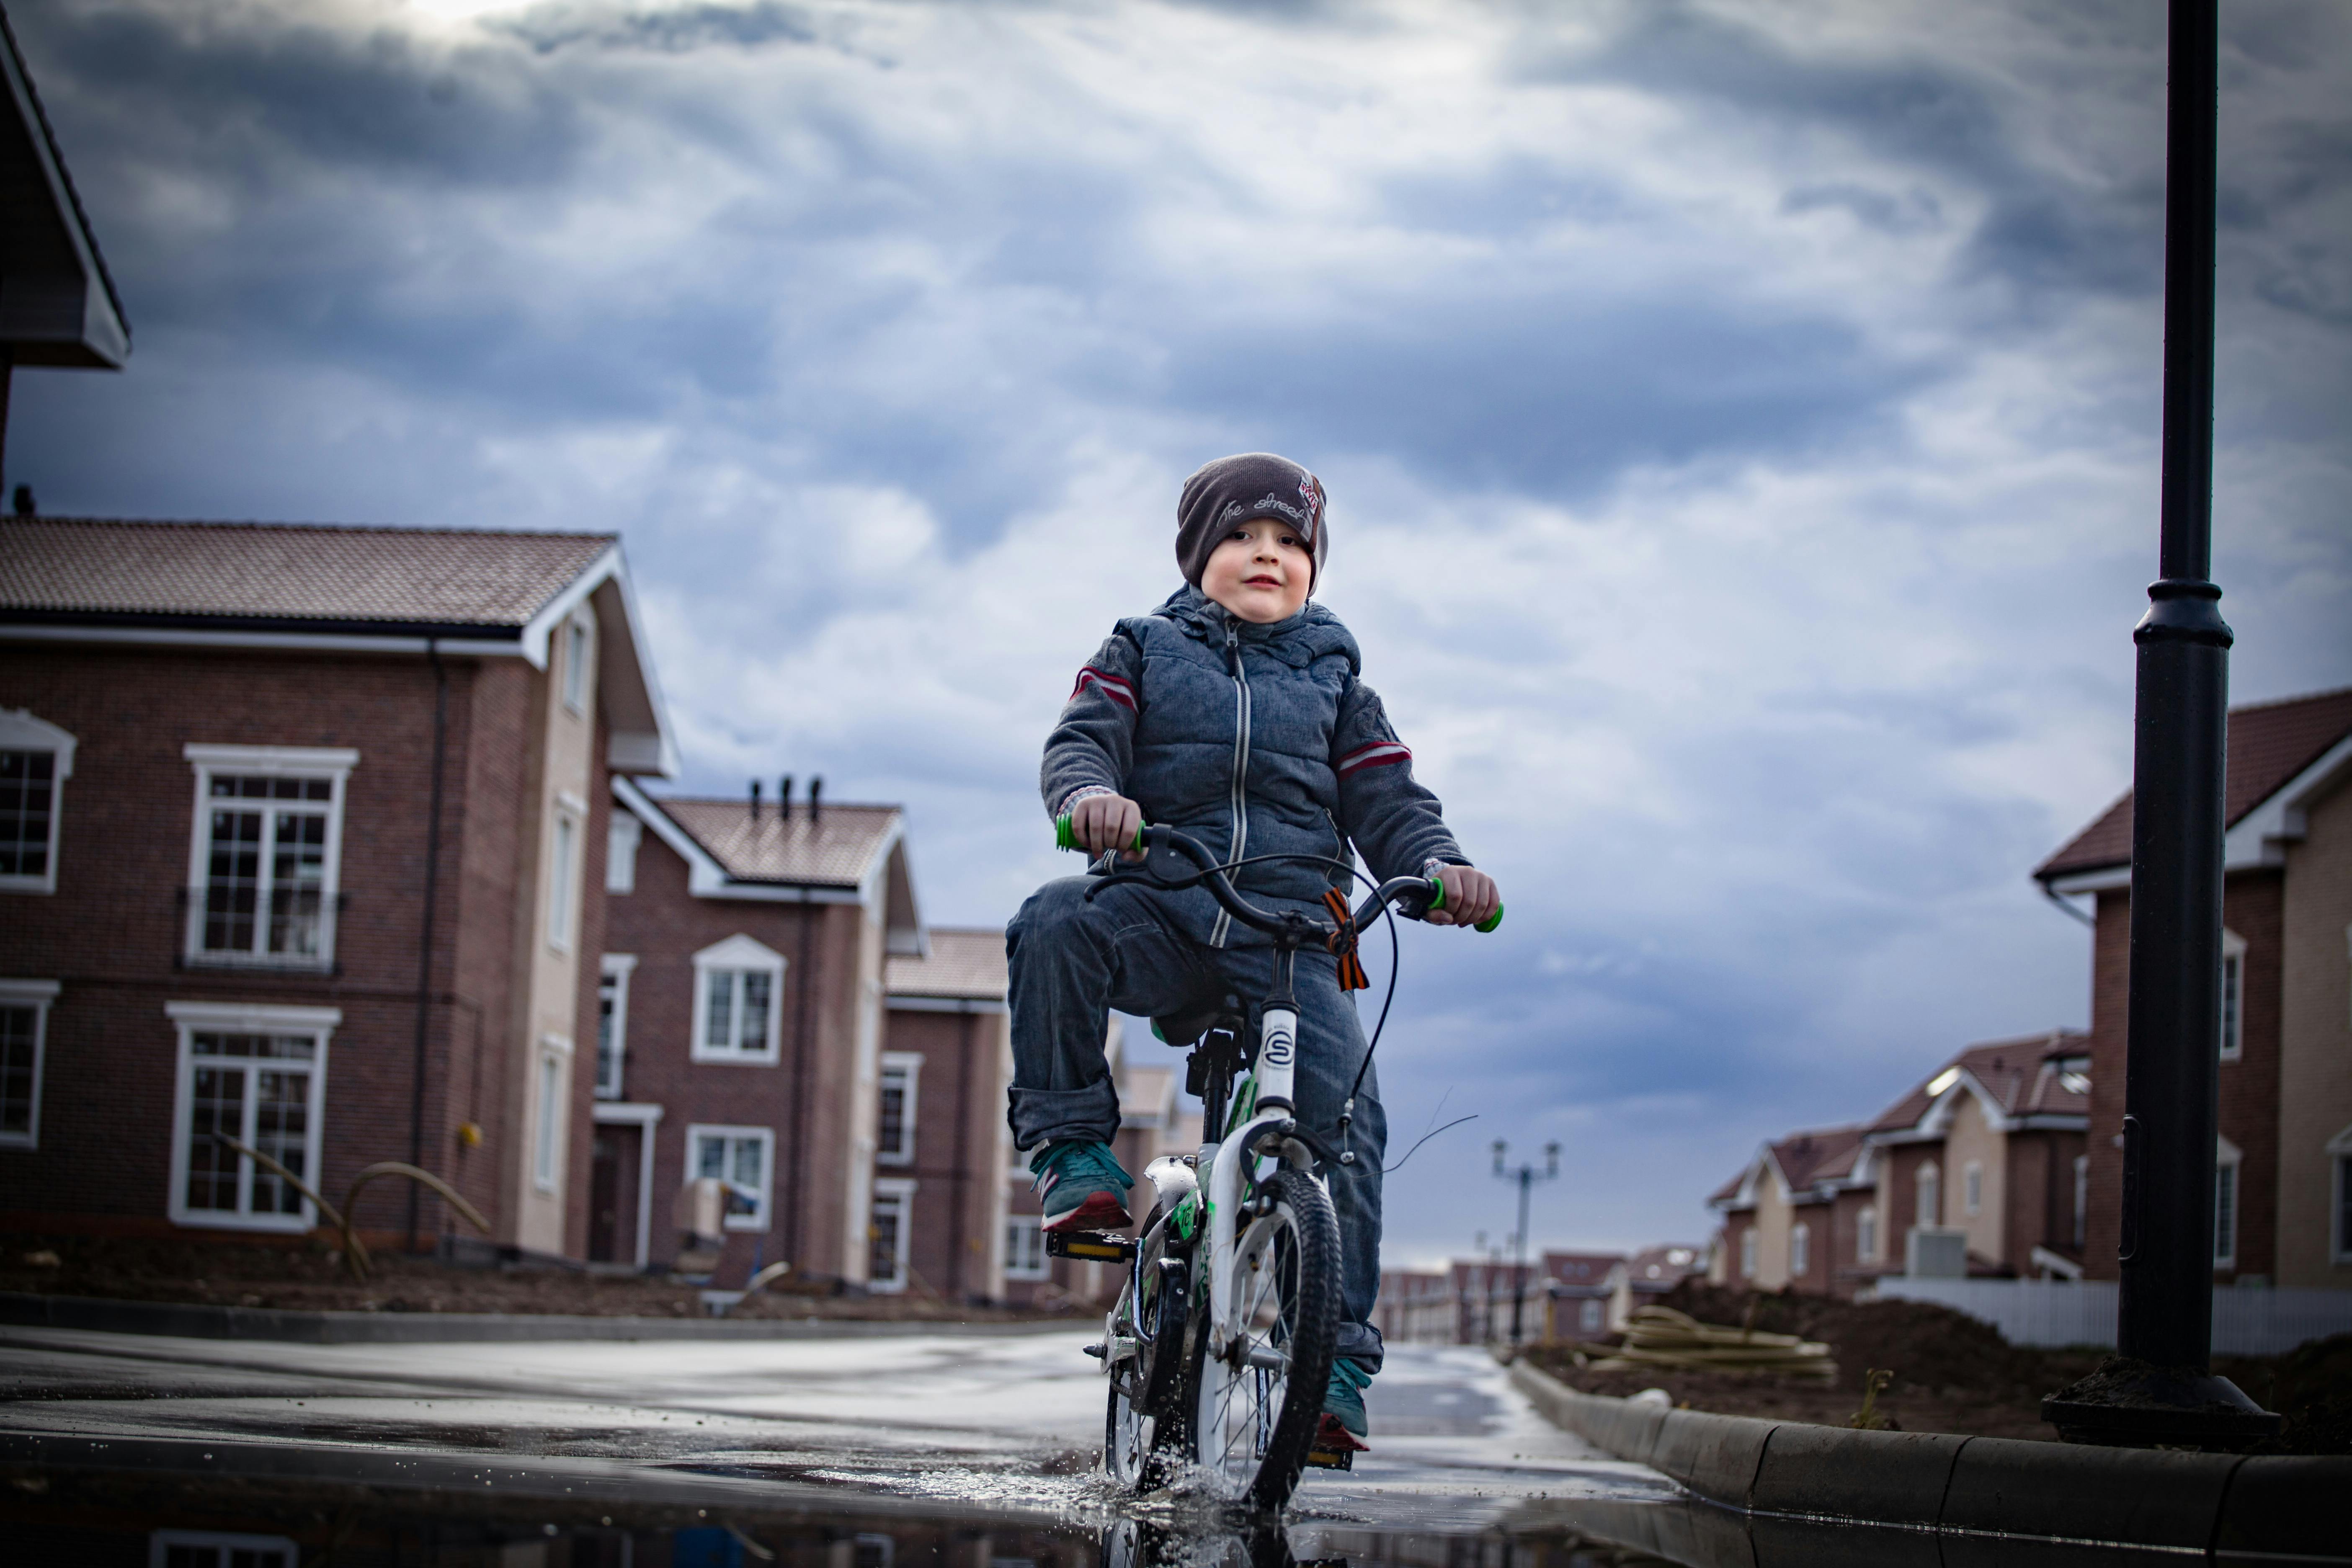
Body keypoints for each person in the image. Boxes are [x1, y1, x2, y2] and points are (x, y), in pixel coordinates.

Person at [1006, 451, 1501, 1456]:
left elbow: (1391, 804)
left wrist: (1442, 867)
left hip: (1290, 940)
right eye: (1240, 537)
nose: (1264, 555)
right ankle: (1075, 1161)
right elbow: (1082, 743)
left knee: (1348, 1125)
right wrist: (1091, 801)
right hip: (1166, 905)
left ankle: (1336, 1370)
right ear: (1197, 556)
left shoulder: (1338, 682)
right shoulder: (1141, 648)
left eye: (1288, 543)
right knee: (1053, 919)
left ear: (1315, 566)